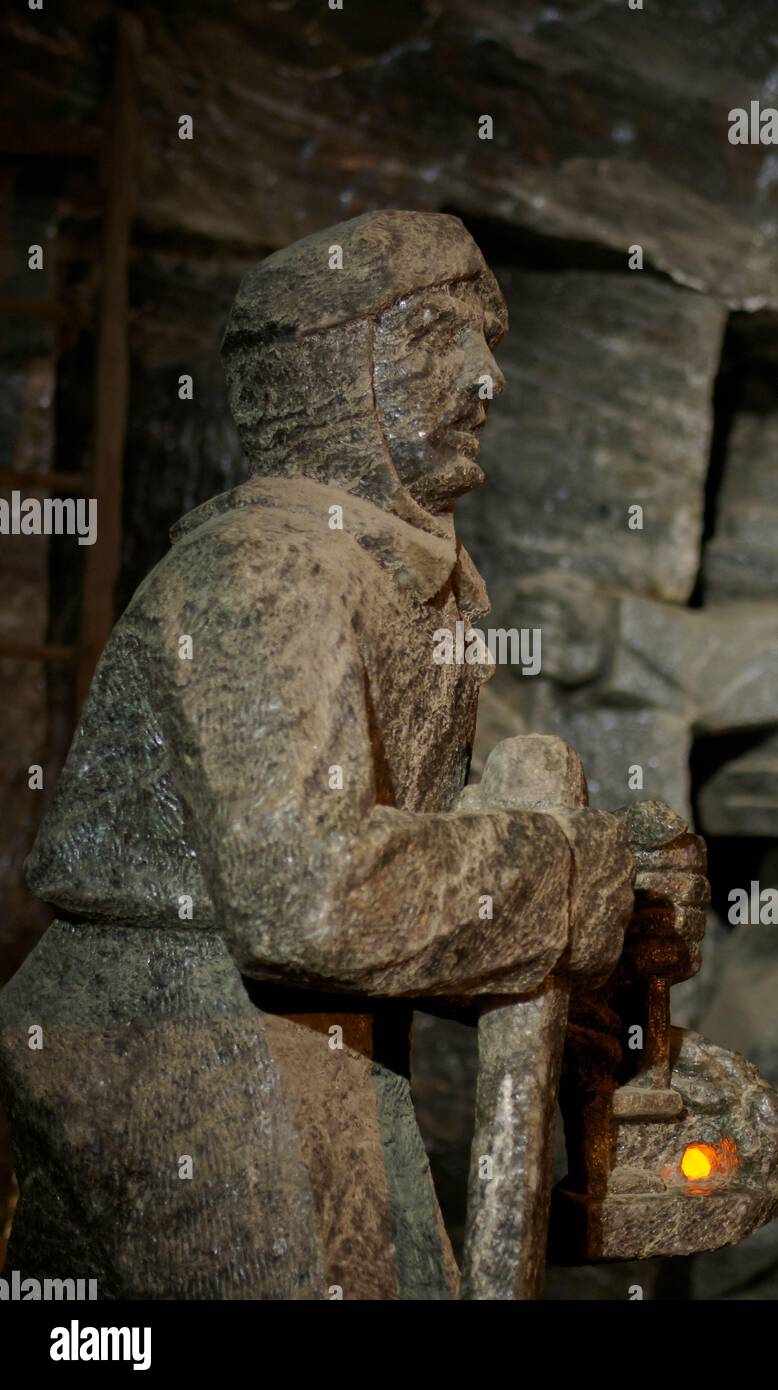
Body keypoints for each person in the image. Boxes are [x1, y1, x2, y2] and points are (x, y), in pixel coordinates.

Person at [0, 212, 637, 1299]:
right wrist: (560, 877)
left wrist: (624, 887)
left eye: (489, 341)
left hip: (285, 1034)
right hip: (176, 1043)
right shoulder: (266, 571)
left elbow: (416, 871)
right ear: (334, 371)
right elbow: (311, 892)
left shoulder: (406, 585)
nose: (487, 379)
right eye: (440, 335)